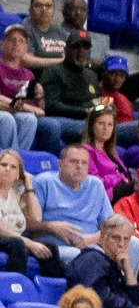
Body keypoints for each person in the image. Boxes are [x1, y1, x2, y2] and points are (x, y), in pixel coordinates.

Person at [31, 143, 115, 270]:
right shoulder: (44, 182)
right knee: (82, 256)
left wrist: (94, 238)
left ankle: (125, 288)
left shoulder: (96, 185)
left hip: (91, 244)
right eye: (74, 162)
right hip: (56, 246)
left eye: (84, 163)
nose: (79, 167)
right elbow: (27, 224)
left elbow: (112, 225)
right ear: (60, 165)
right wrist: (51, 227)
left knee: (134, 245)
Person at [68, 216, 139, 308]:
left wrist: (127, 270)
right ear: (102, 238)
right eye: (116, 238)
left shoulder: (114, 263)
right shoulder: (92, 259)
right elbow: (98, 298)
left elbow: (138, 302)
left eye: (126, 239)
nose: (121, 244)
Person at [34, 33, 102, 151]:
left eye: (86, 47)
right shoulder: (53, 71)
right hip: (61, 120)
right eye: (76, 47)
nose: (81, 51)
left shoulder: (92, 76)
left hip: (89, 121)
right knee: (90, 128)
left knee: (135, 128)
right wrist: (84, 112)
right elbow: (51, 106)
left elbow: (98, 103)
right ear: (66, 49)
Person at [0, 150, 52, 275]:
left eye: (13, 167)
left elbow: (36, 218)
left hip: (14, 241)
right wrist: (29, 243)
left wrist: (28, 185)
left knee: (50, 249)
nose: (7, 169)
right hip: (7, 240)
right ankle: (15, 288)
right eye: (3, 165)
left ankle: (49, 292)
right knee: (17, 244)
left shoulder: (16, 194)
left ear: (18, 175)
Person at [0, 26, 46, 157]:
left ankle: (20, 161)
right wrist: (21, 106)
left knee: (30, 119)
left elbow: (37, 111)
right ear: (2, 44)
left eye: (21, 41)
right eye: (12, 39)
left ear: (26, 48)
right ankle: (10, 160)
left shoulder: (28, 75)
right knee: (6, 119)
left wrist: (40, 98)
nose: (16, 43)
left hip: (16, 112)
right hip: (4, 113)